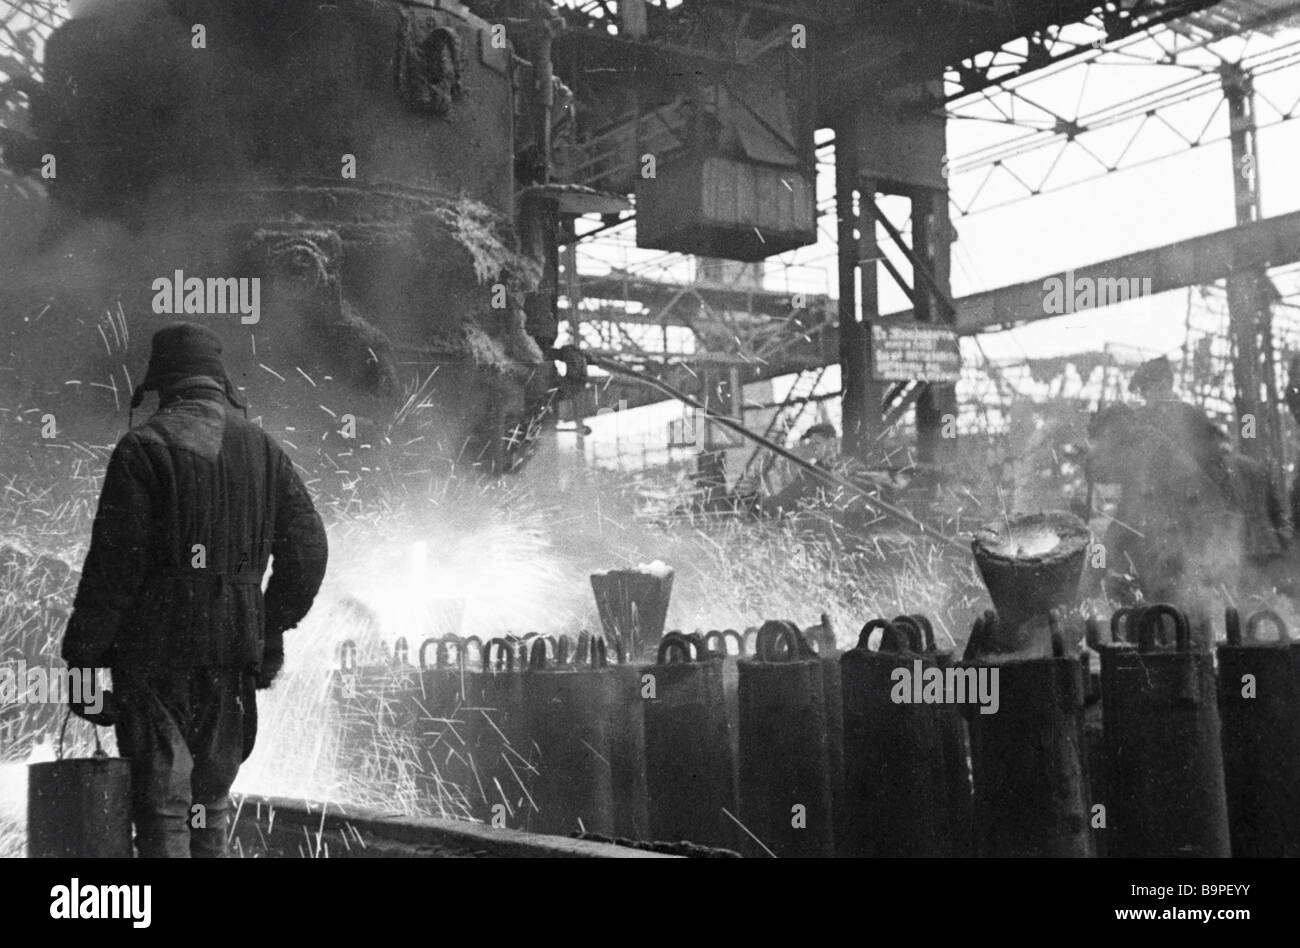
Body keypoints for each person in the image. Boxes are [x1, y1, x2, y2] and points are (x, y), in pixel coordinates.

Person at [61, 322, 329, 858]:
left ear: (161, 381)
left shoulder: (144, 448)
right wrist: (266, 623)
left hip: (154, 658)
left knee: (163, 806)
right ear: (219, 379)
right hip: (231, 655)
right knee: (209, 805)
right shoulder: (265, 451)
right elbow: (308, 552)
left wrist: (84, 661)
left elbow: (114, 570)